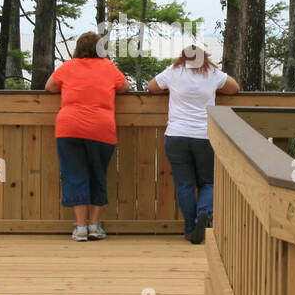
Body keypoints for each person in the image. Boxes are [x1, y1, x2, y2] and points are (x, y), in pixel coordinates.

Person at [148, 45, 239, 243]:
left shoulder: (173, 72)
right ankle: (204, 214)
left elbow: (152, 87)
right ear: (203, 58)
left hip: (176, 135)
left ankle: (190, 229)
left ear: (183, 58)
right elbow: (234, 88)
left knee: (185, 184)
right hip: (204, 136)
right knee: (209, 181)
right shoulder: (212, 73)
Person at [45, 31, 129, 241]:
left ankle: (80, 228)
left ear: (78, 48)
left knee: (75, 176)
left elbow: (49, 87)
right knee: (97, 175)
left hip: (69, 128)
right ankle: (94, 226)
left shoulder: (68, 66)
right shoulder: (109, 68)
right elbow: (125, 88)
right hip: (101, 128)